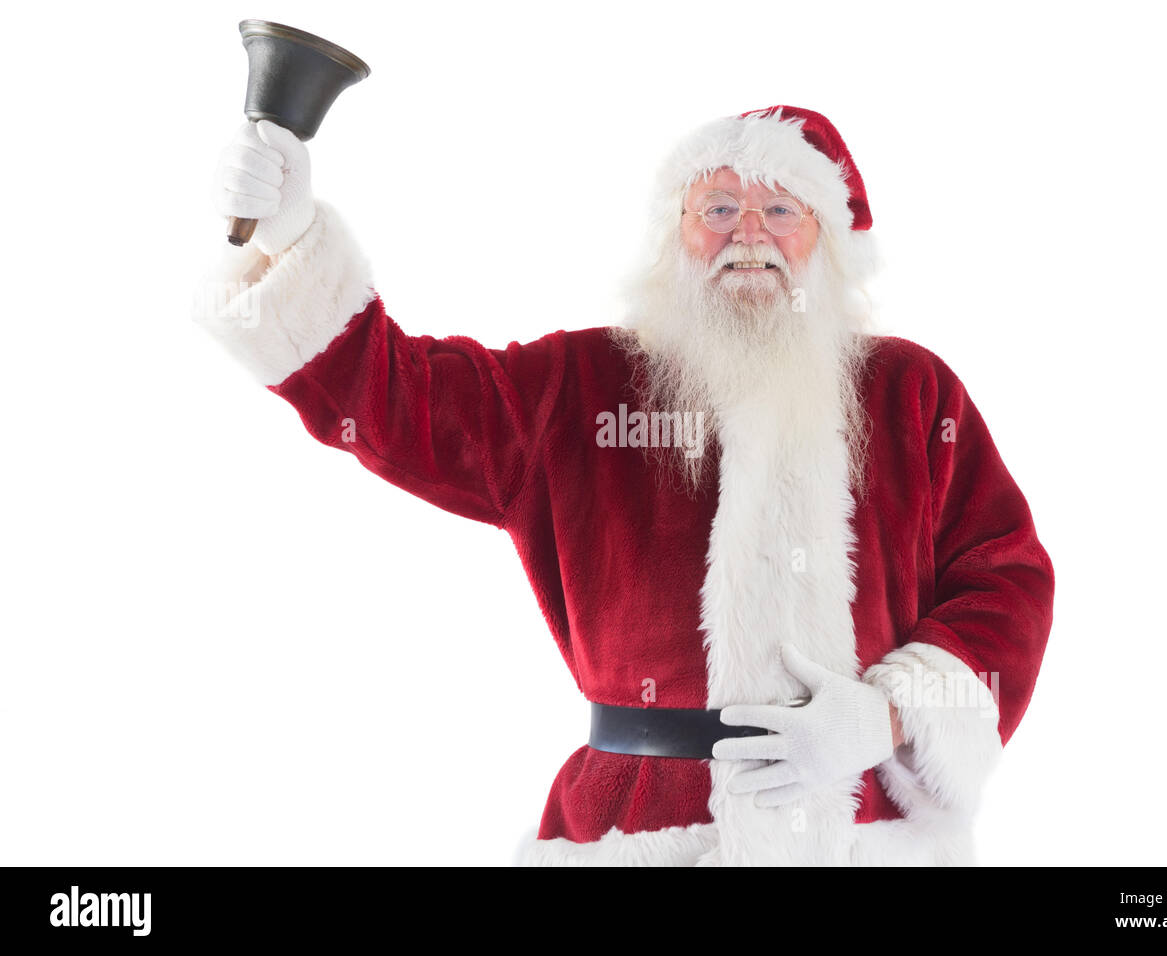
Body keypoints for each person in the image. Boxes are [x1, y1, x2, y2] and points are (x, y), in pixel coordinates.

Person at [194, 105, 1054, 866]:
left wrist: (887, 718)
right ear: (676, 232)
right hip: (637, 835)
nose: (747, 233)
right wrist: (293, 235)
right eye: (718, 209)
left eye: (780, 210)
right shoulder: (581, 385)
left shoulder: (910, 391)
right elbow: (400, 399)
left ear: (825, 239)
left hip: (865, 835)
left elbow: (1006, 575)